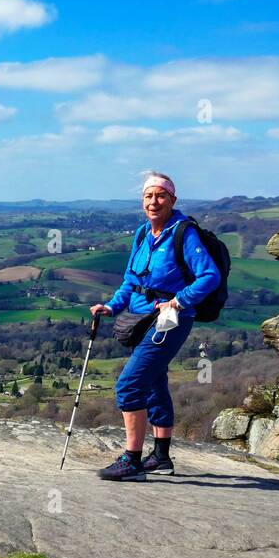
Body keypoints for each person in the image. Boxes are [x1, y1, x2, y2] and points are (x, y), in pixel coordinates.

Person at [90, 172, 222, 482]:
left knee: (129, 385)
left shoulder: (183, 233)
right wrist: (111, 306)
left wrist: (179, 301)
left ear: (172, 200)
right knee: (152, 383)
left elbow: (209, 276)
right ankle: (161, 457)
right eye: (149, 196)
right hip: (139, 319)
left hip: (169, 321)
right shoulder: (142, 234)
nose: (154, 201)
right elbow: (131, 281)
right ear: (142, 202)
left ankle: (132, 460)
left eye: (161, 196)